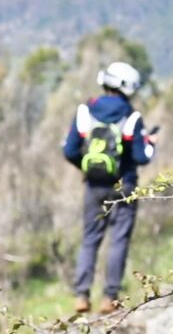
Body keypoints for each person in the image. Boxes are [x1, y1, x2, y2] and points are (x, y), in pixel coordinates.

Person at [62, 60, 155, 315]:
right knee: (119, 240)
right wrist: (151, 143)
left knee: (90, 239)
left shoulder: (85, 111)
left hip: (93, 185)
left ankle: (82, 295)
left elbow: (69, 150)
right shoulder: (132, 117)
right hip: (124, 185)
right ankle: (109, 297)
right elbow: (142, 156)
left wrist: (88, 167)